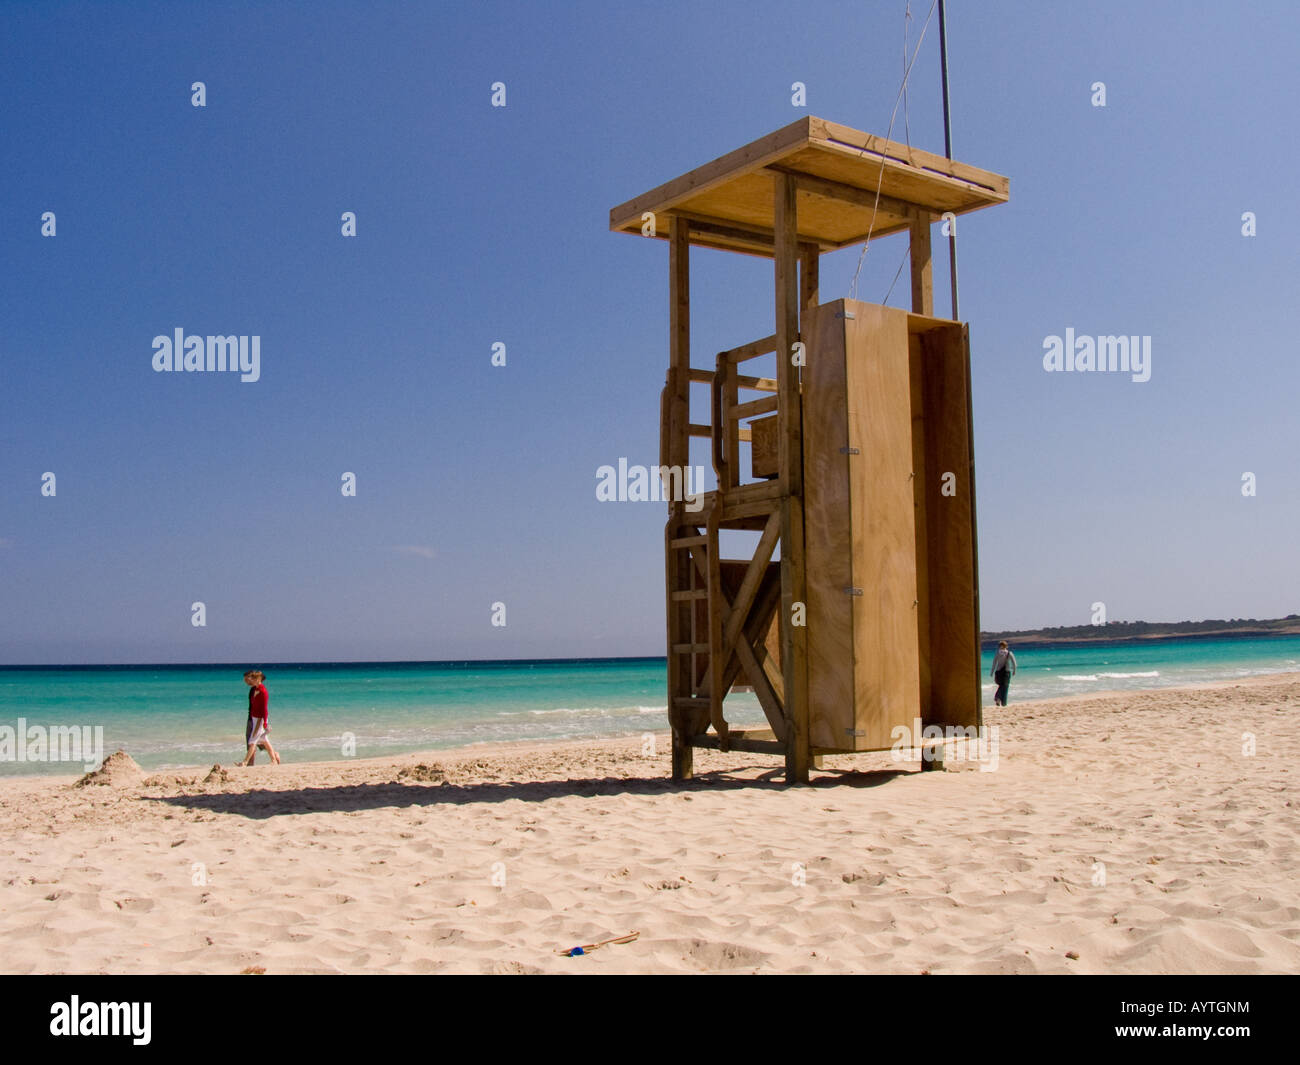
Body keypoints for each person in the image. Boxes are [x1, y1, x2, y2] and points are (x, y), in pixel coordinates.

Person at [240, 669, 280, 765]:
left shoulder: (262, 691)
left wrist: (264, 722)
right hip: (252, 718)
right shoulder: (254, 689)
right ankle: (274, 757)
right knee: (263, 741)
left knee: (252, 741)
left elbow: (264, 709)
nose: (247, 682)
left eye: (248, 679)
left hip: (257, 720)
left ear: (256, 679)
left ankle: (247, 763)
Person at [991, 641, 1017, 706]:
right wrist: (1014, 671)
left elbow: (994, 663)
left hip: (998, 672)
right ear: (1006, 646)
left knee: (1001, 686)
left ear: (999, 646)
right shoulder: (1009, 653)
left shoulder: (997, 653)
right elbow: (1014, 663)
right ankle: (1003, 703)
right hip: (1006, 672)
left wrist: (992, 672)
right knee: (1005, 687)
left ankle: (998, 698)